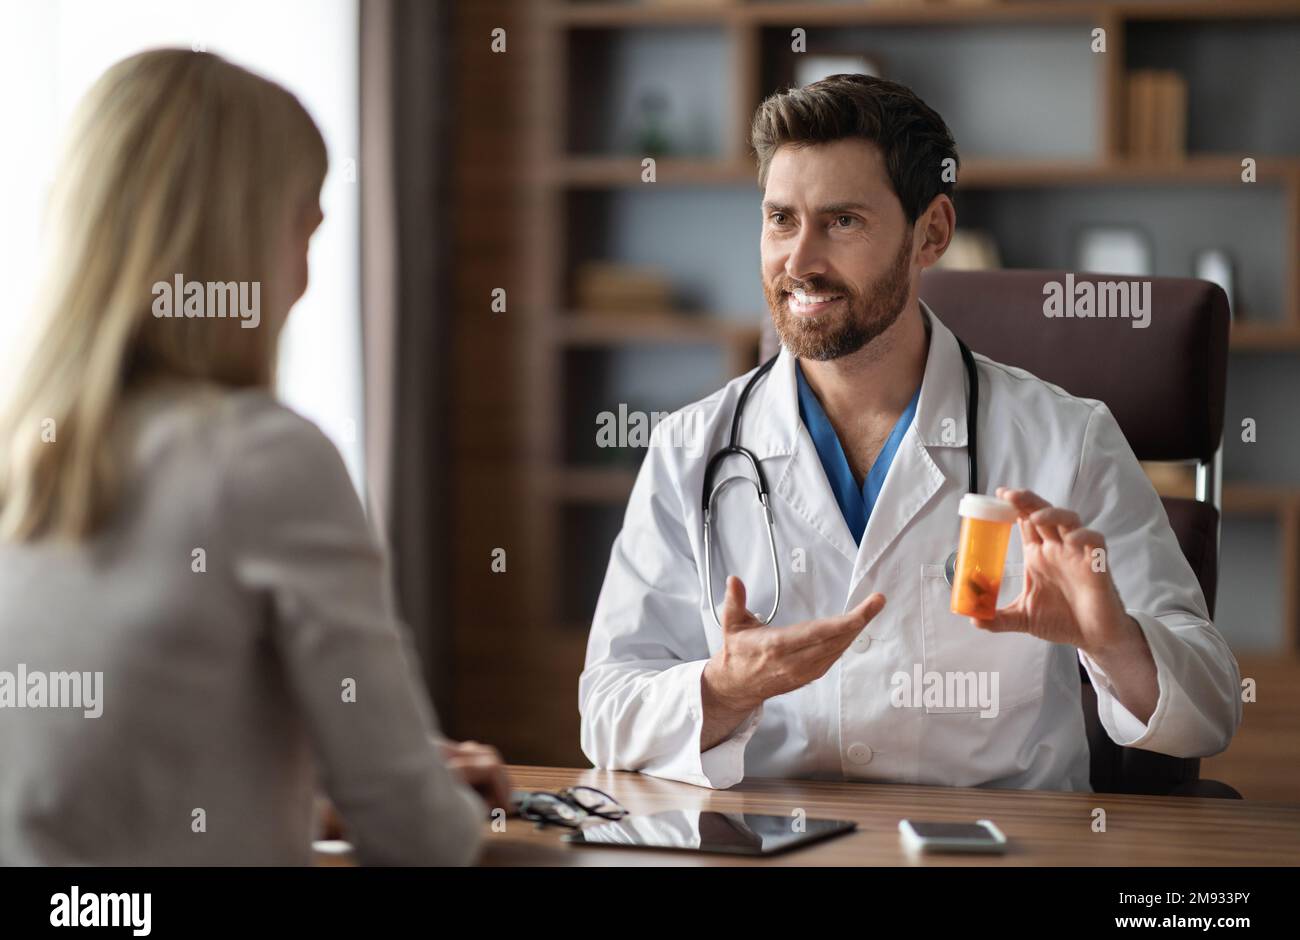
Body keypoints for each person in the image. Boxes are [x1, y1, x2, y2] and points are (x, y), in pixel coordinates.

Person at [579, 75, 1241, 791]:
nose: (798, 262)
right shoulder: (690, 449)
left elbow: (1210, 710)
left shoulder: (1066, 440)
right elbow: (606, 713)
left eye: (841, 222)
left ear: (933, 233)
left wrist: (1110, 639)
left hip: (994, 852)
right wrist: (721, 690)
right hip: (766, 845)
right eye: (780, 220)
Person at [0, 49, 506, 864]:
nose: (302, 279)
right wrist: (423, 794)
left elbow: (93, 787)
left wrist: (293, 792)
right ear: (239, 242)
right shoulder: (261, 460)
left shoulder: (25, 454)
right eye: (303, 230)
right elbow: (417, 839)